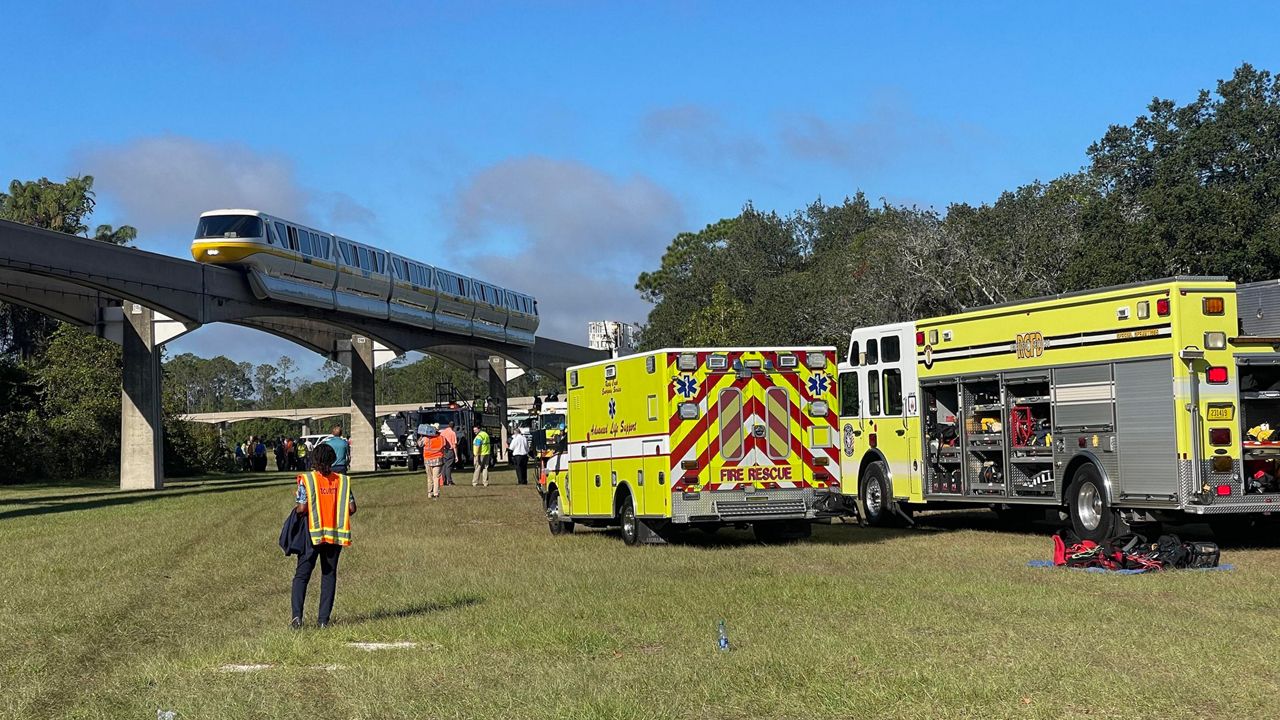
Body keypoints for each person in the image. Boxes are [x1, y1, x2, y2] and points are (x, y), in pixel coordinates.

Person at [290, 442, 355, 629]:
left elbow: (302, 507)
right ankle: (323, 621)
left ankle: (297, 618)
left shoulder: (308, 480)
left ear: (314, 460)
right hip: (335, 535)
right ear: (332, 460)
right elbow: (352, 508)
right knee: (329, 575)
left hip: (312, 534)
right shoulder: (343, 481)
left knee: (302, 576)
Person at [420, 425, 446, 498]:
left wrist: (421, 436)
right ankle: (436, 493)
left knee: (429, 477)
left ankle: (429, 493)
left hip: (428, 460)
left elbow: (419, 444)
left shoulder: (425, 438)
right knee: (436, 477)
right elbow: (445, 445)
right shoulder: (441, 438)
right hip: (438, 459)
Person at [439, 421, 458, 486]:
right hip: (450, 451)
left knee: (444, 466)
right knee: (449, 466)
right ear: (453, 426)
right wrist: (456, 456)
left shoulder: (443, 432)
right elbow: (454, 445)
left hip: (443, 450)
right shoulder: (453, 433)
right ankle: (449, 481)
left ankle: (443, 481)